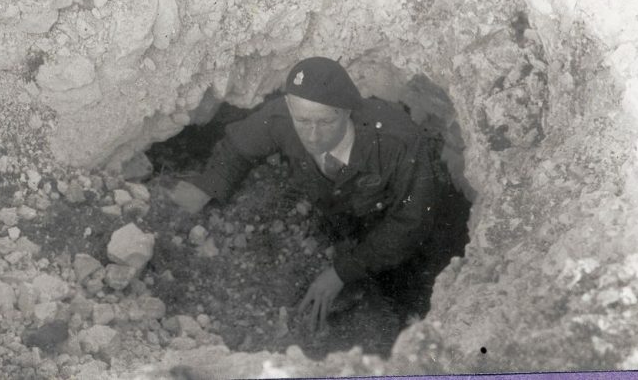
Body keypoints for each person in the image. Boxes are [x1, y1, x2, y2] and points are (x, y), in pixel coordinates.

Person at [168, 56, 469, 332]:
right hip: (337, 216)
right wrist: (209, 185)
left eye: (326, 122)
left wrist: (341, 273)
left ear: (347, 111)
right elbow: (241, 143)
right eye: (303, 122)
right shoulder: (284, 117)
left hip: (406, 234)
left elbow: (412, 222)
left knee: (411, 302)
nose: (312, 135)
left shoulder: (397, 142)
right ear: (290, 108)